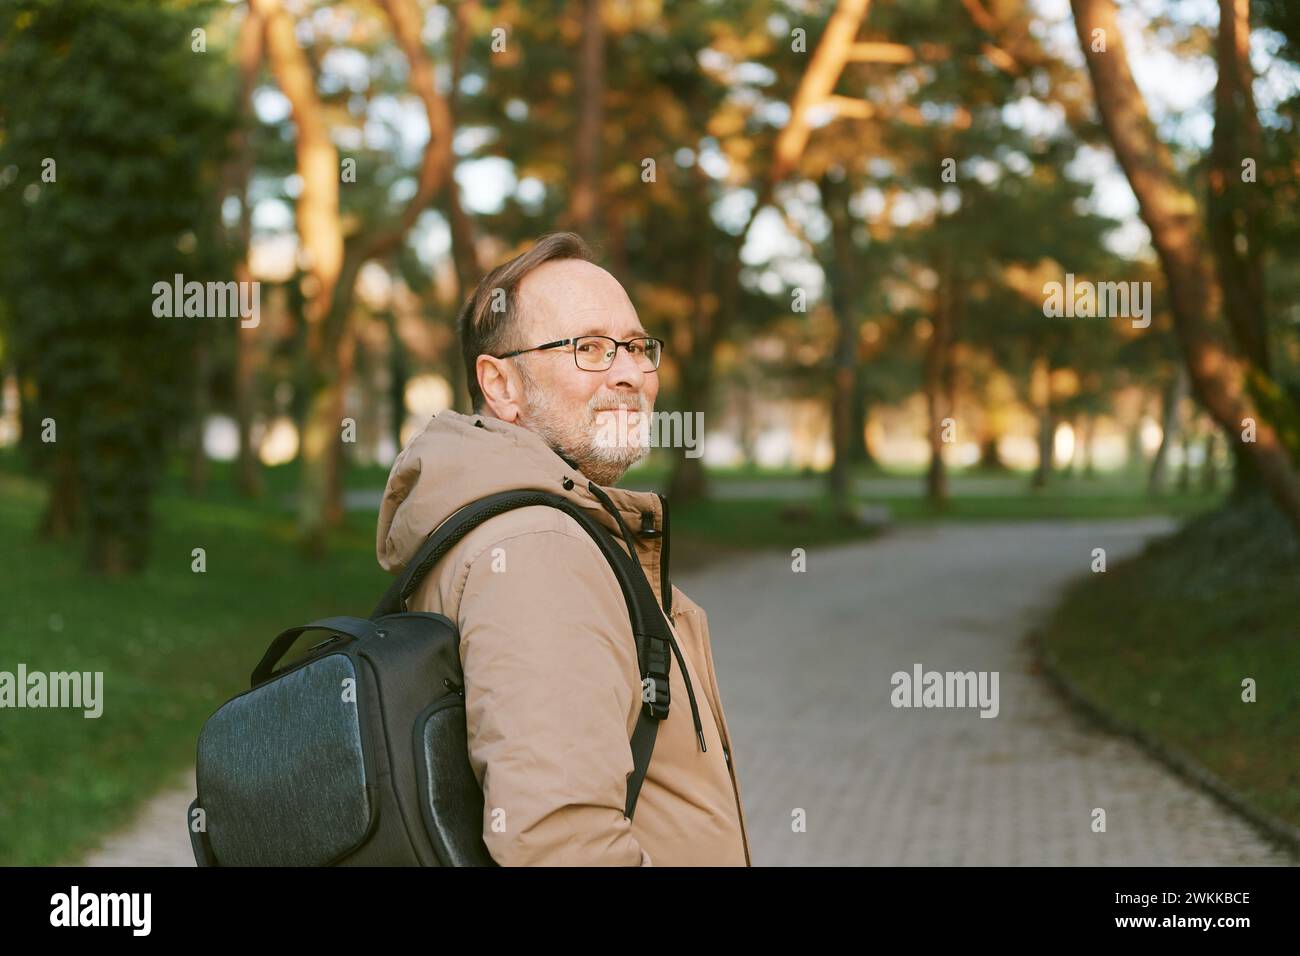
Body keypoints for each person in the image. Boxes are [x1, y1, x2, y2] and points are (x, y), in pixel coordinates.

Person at [375, 232, 751, 866]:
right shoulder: (536, 549)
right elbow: (558, 843)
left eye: (637, 347)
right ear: (501, 385)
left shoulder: (509, 525)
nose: (632, 373)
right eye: (592, 349)